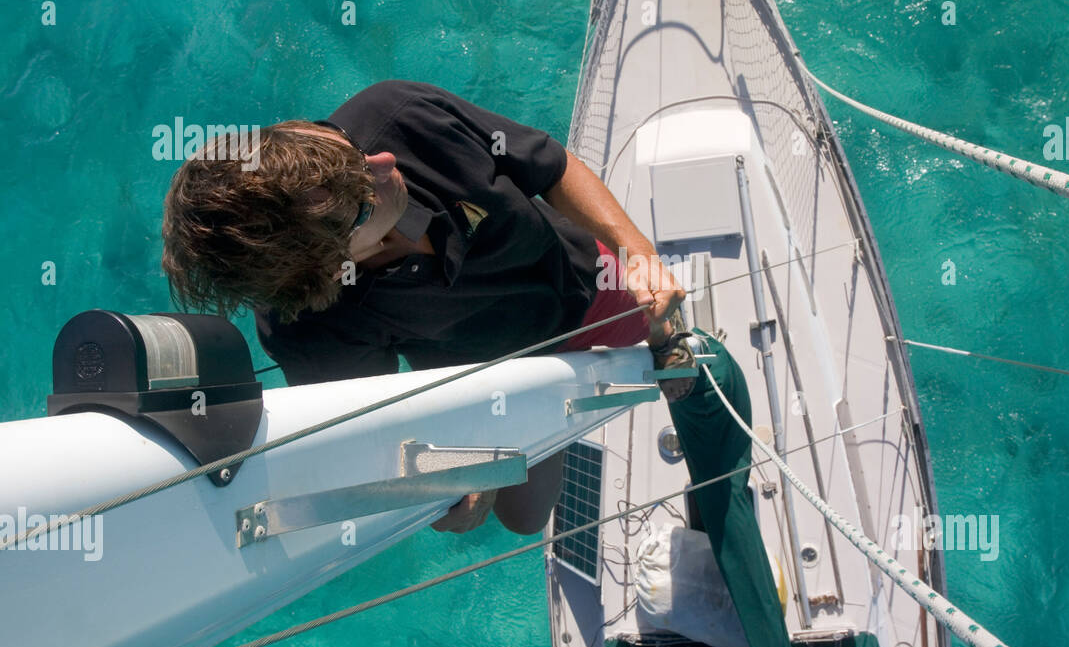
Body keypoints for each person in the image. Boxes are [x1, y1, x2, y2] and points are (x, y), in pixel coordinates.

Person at [161, 79, 687, 535]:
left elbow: (549, 166)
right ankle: (566, 407)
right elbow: (385, 429)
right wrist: (443, 474)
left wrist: (636, 252)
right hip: (502, 378)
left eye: (350, 153)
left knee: (664, 326)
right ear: (327, 275)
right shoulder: (307, 328)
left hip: (581, 281)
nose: (383, 163)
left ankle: (665, 343)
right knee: (523, 518)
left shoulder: (399, 114)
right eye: (365, 201)